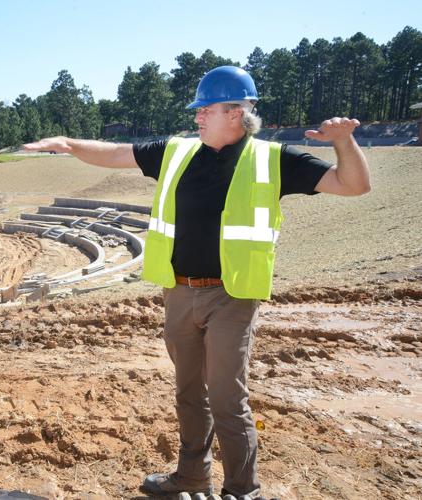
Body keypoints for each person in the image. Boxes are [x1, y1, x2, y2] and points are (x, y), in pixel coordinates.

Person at [24, 66, 370, 498]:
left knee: (227, 400)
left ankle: (242, 490)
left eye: (205, 109)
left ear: (237, 113)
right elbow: (116, 153)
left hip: (232, 295)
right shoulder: (178, 152)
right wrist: (68, 145)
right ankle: (191, 477)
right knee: (189, 393)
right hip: (180, 291)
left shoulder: (273, 159)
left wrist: (343, 141)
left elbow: (353, 185)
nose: (197, 117)